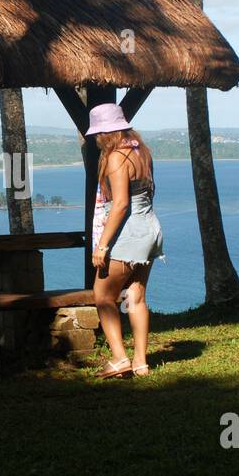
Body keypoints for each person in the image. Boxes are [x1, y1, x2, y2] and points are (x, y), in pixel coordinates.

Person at [86, 102, 164, 379]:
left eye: (97, 134)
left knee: (103, 296)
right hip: (149, 230)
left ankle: (120, 358)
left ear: (104, 133)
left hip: (127, 235)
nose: (96, 139)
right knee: (136, 296)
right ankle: (141, 362)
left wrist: (103, 245)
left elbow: (120, 205)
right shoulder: (142, 151)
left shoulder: (117, 157)